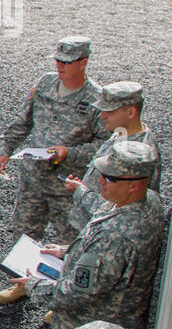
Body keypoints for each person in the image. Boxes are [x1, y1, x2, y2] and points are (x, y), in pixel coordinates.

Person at [10, 141, 165, 329]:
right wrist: (68, 251)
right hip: (121, 323)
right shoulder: (150, 202)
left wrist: (33, 285)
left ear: (134, 185)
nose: (102, 180)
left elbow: (76, 294)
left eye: (111, 177)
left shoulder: (115, 238)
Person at [0, 36, 107, 307]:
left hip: (66, 184)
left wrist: (70, 153)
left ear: (84, 63)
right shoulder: (45, 84)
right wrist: (7, 148)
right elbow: (25, 119)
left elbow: (104, 145)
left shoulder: (97, 100)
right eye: (58, 60)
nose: (60, 66)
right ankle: (21, 283)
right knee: (24, 230)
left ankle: (61, 301)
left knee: (68, 240)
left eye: (67, 62)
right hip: (34, 177)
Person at [62, 81, 162, 235]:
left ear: (131, 113)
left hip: (103, 232)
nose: (102, 116)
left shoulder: (139, 154)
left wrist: (81, 192)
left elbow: (126, 206)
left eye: (110, 111)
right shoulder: (121, 132)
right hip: (87, 222)